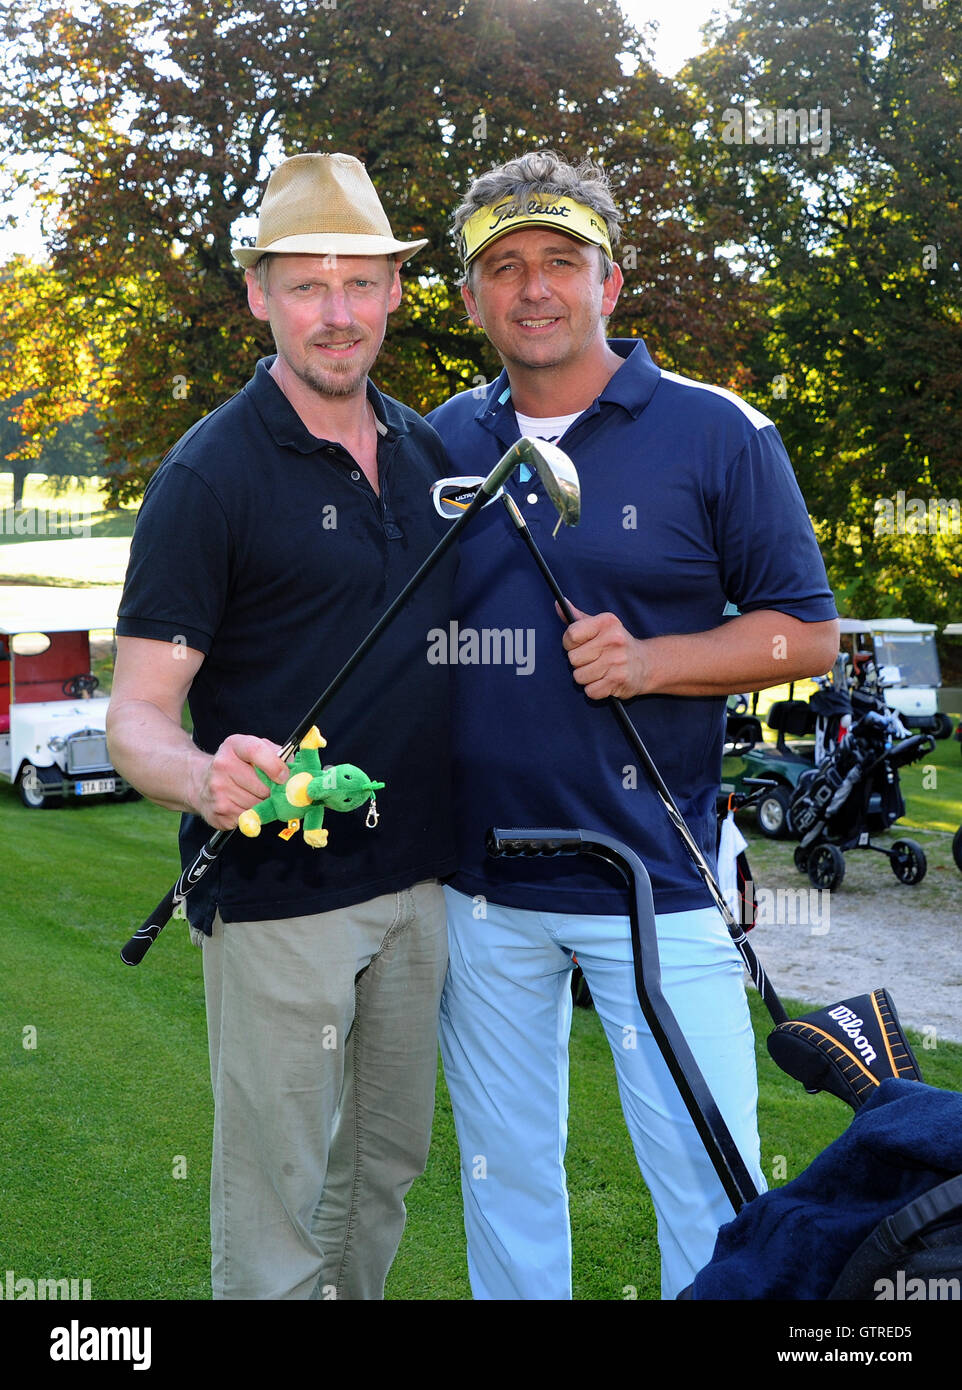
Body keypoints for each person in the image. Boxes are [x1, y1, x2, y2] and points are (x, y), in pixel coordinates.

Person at [426, 150, 840, 1300]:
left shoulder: (718, 432)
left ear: (610, 280)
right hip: (478, 887)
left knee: (710, 1190)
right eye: (502, 267)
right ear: (469, 300)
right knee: (504, 1180)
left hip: (656, 881)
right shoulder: (434, 443)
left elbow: (802, 637)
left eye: (562, 261)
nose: (534, 288)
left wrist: (653, 659)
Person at [107, 153, 457, 1300]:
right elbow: (136, 720)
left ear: (397, 292)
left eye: (360, 281)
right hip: (276, 901)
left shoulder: (427, 452)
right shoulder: (207, 475)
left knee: (381, 1178)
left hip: (419, 888)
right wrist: (203, 774)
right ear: (258, 294)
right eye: (307, 285)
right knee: (277, 1212)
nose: (337, 312)